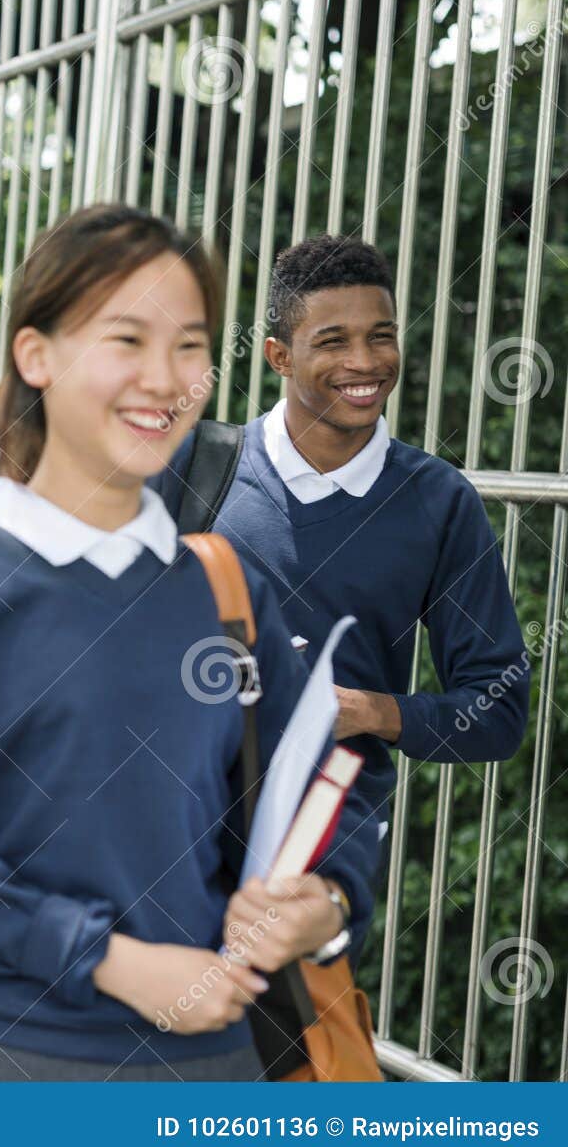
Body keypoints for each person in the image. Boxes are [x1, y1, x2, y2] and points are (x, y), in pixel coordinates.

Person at [0, 205, 378, 1081]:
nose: (166, 379)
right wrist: (112, 959)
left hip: (216, 1067)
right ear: (35, 354)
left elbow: (327, 781)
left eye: (190, 345)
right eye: (127, 339)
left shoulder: (221, 588)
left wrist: (326, 898)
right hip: (8, 1064)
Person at [154, 235, 528, 947]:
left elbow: (499, 710)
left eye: (380, 336)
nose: (364, 362)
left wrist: (367, 710)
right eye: (333, 340)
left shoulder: (439, 503)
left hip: (316, 873)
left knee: (280, 1053)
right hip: (163, 836)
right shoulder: (191, 468)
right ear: (279, 356)